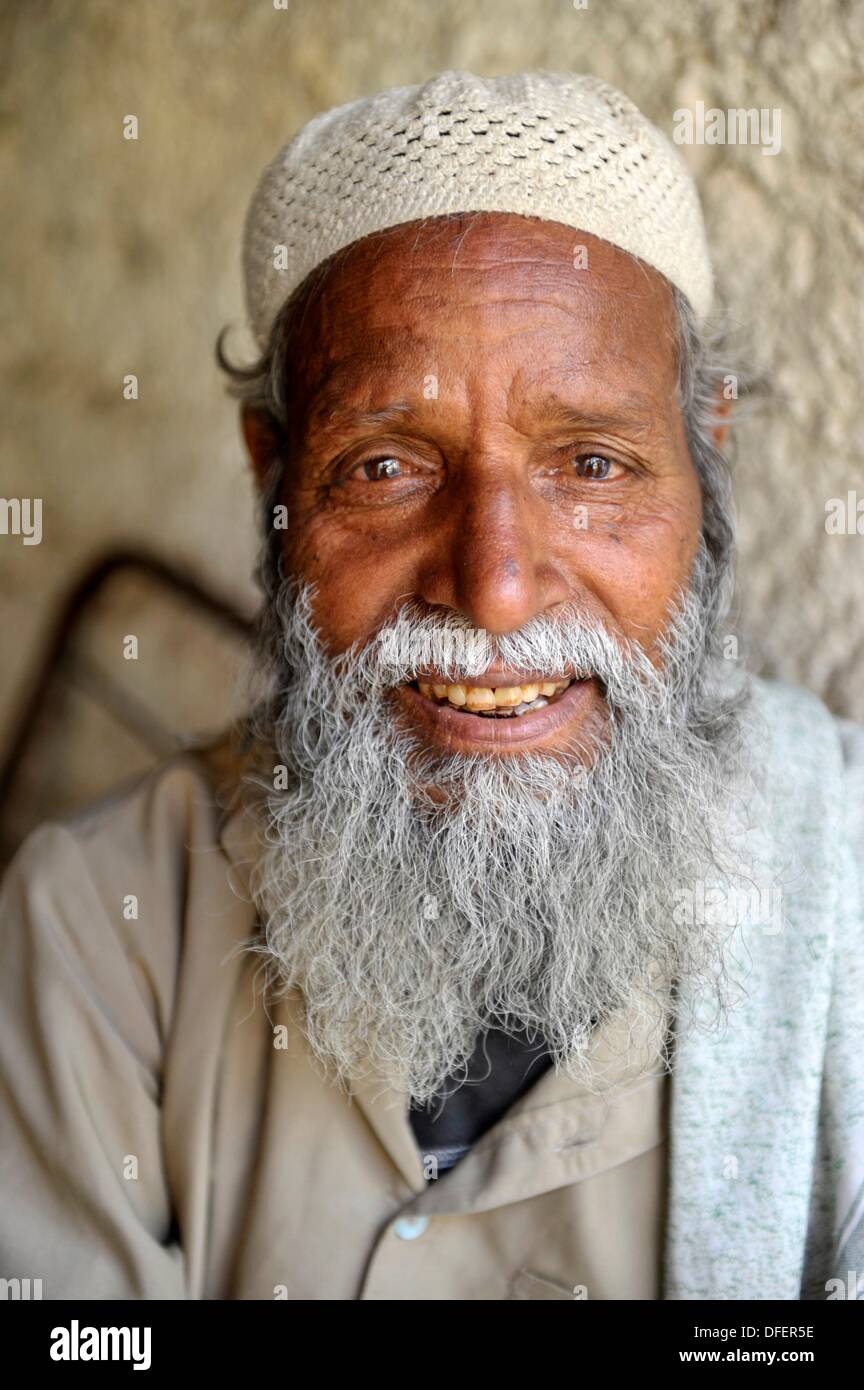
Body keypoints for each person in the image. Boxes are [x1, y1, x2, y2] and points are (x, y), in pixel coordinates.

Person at [1, 70, 862, 1301]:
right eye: (388, 466)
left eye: (592, 462)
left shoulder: (847, 903)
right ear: (275, 478)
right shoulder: (96, 937)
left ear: (707, 458)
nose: (496, 587)